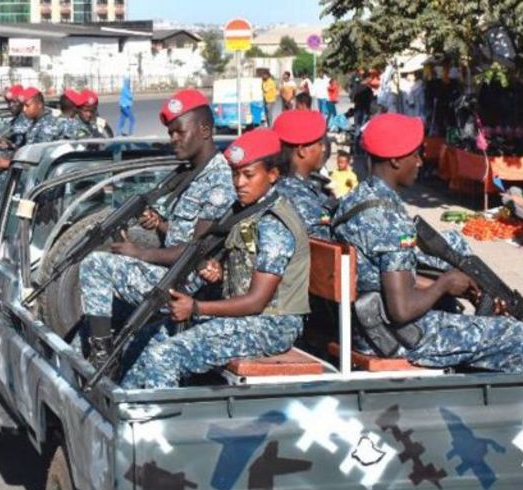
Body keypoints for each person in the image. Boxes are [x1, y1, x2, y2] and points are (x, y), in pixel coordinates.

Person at [332, 113, 523, 372]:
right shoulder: (388, 219)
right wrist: (443, 284)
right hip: (396, 336)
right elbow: (402, 309)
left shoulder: (356, 199)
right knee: (522, 337)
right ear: (396, 160)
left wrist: (448, 285)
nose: (420, 162)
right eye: (415, 154)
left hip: (365, 327)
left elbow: (379, 277)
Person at [120, 129, 310, 389]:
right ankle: (127, 410)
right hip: (247, 316)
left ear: (273, 175)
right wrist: (219, 268)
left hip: (273, 325)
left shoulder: (273, 224)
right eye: (235, 174)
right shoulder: (249, 211)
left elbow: (257, 301)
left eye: (248, 175)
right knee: (149, 337)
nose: (239, 182)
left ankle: (161, 427)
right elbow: (245, 263)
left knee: (165, 356)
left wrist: (196, 308)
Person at [78, 89, 237, 367]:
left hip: (186, 283)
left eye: (179, 132)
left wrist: (139, 253)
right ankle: (104, 349)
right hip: (170, 271)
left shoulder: (219, 179)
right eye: (170, 133)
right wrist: (160, 224)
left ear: (204, 129)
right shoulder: (191, 172)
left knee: (96, 266)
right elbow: (181, 233)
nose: (173, 139)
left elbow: (195, 251)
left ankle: (102, 355)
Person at [272, 109, 333, 238]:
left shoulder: (272, 183)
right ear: (302, 151)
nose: (323, 149)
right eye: (320, 144)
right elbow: (322, 250)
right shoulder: (305, 201)